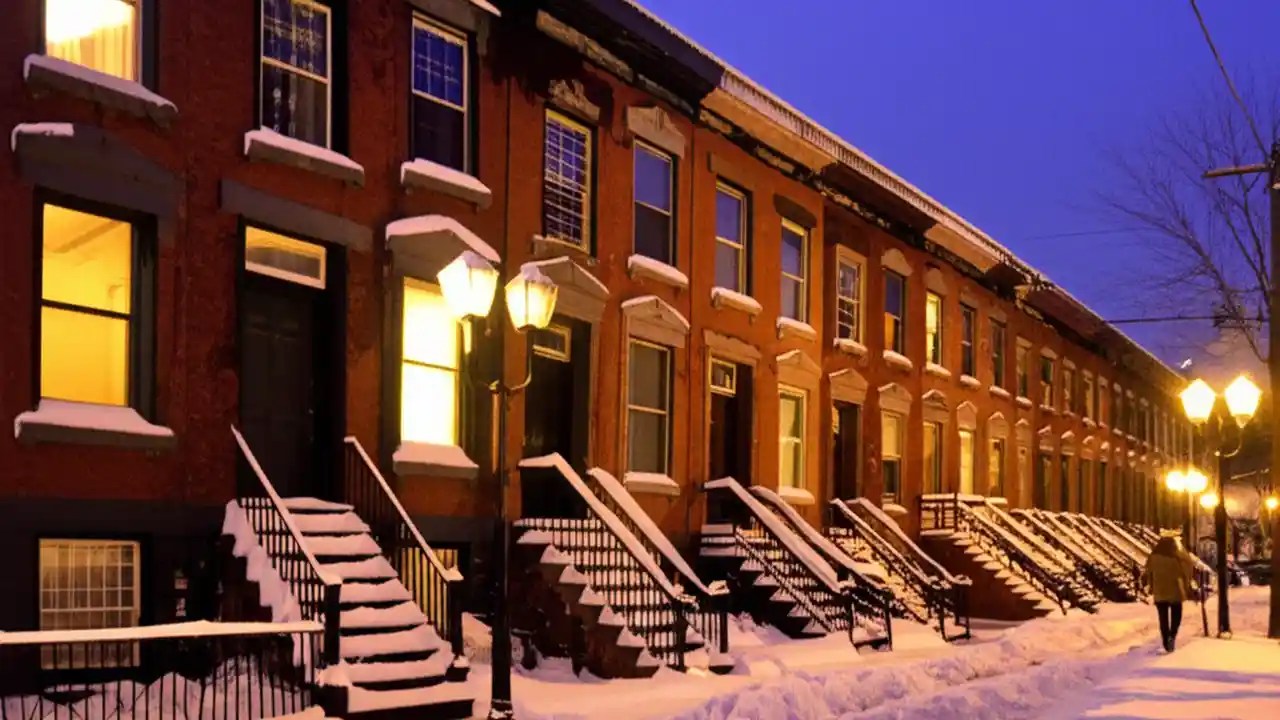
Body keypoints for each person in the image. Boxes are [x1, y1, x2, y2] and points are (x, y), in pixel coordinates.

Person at [1141, 534, 1196, 652]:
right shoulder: (1177, 556)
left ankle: (1166, 641)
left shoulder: (1153, 557)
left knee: (1163, 618)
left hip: (1160, 593)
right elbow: (1187, 568)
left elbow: (1148, 572)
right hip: (1175, 591)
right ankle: (1172, 635)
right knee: (1177, 615)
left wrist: (1152, 586)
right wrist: (1187, 585)